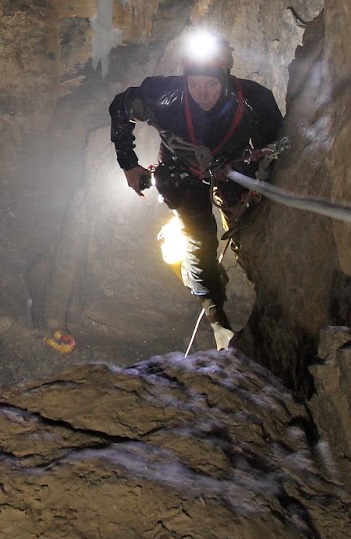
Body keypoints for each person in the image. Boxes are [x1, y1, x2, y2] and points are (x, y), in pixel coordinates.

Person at [108, 28, 283, 348]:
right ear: (185, 80)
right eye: (195, 84)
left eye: (211, 84)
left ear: (225, 79)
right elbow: (121, 108)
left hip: (232, 167)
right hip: (180, 170)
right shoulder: (163, 97)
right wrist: (129, 163)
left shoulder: (253, 101)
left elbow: (273, 144)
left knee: (246, 226)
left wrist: (260, 177)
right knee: (199, 239)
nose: (203, 93)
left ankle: (249, 268)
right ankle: (215, 313)